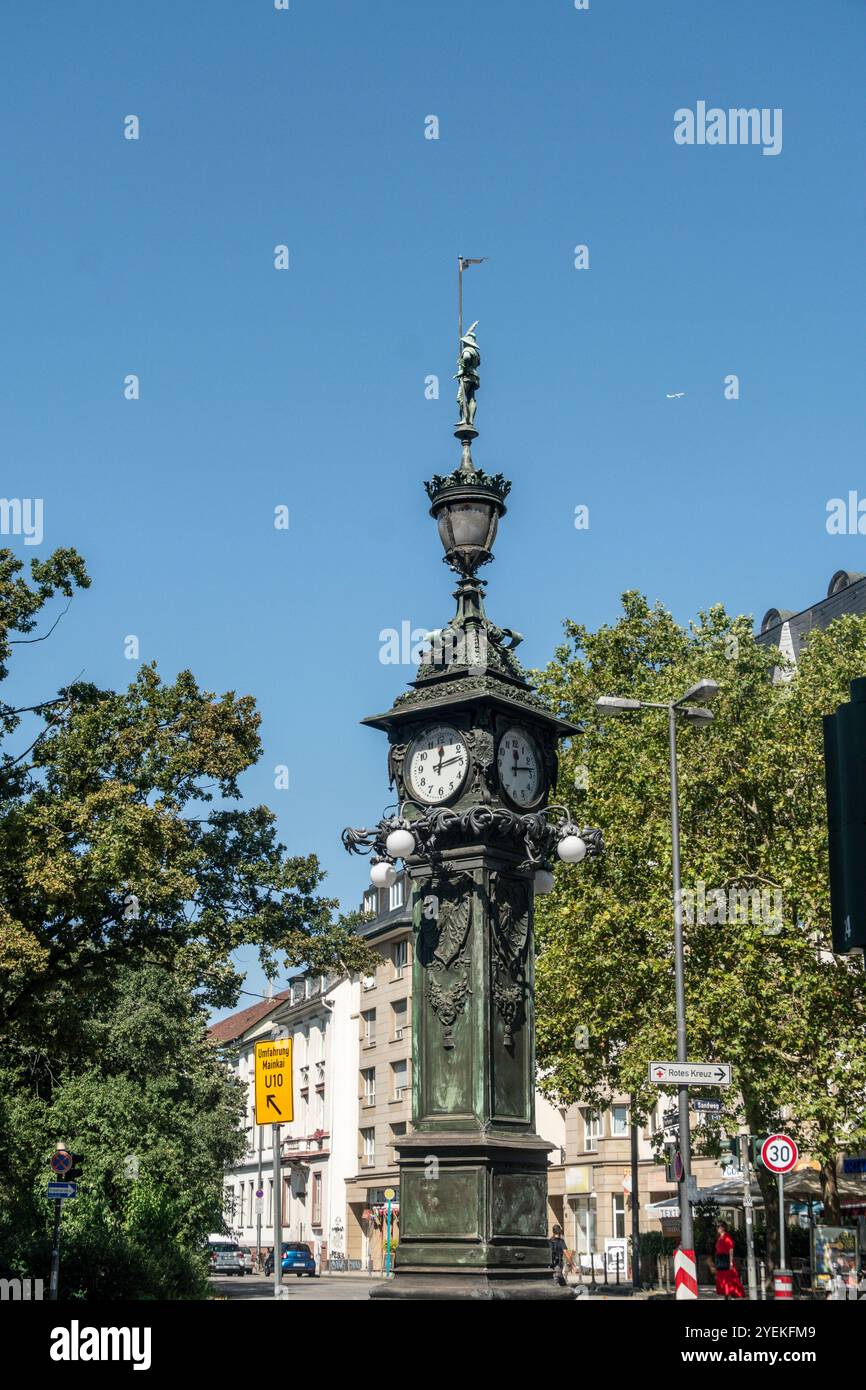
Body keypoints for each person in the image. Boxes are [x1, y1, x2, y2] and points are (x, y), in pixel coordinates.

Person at [713, 1220, 745, 1299]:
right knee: (723, 1280)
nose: (718, 1228)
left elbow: (731, 1250)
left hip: (726, 1261)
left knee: (728, 1279)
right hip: (720, 1261)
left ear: (723, 1228)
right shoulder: (719, 1237)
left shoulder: (727, 1237)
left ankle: (729, 1295)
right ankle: (726, 1295)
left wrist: (730, 1262)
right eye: (717, 1227)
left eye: (719, 1226)